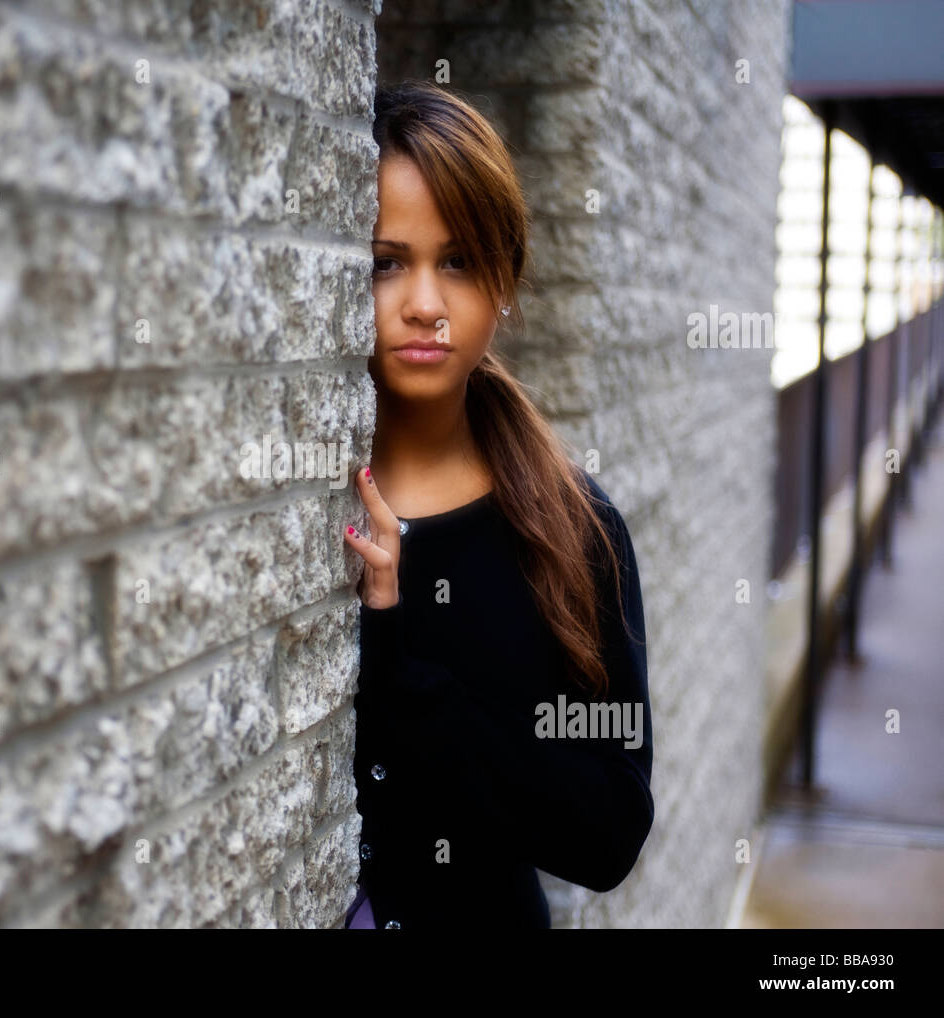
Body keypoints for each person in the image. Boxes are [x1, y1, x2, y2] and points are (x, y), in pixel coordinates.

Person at [341, 80, 654, 929]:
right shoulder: (296, 498)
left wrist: (417, 688)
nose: (425, 305)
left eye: (459, 262)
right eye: (386, 261)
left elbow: (610, 832)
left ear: (505, 280)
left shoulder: (571, 529)